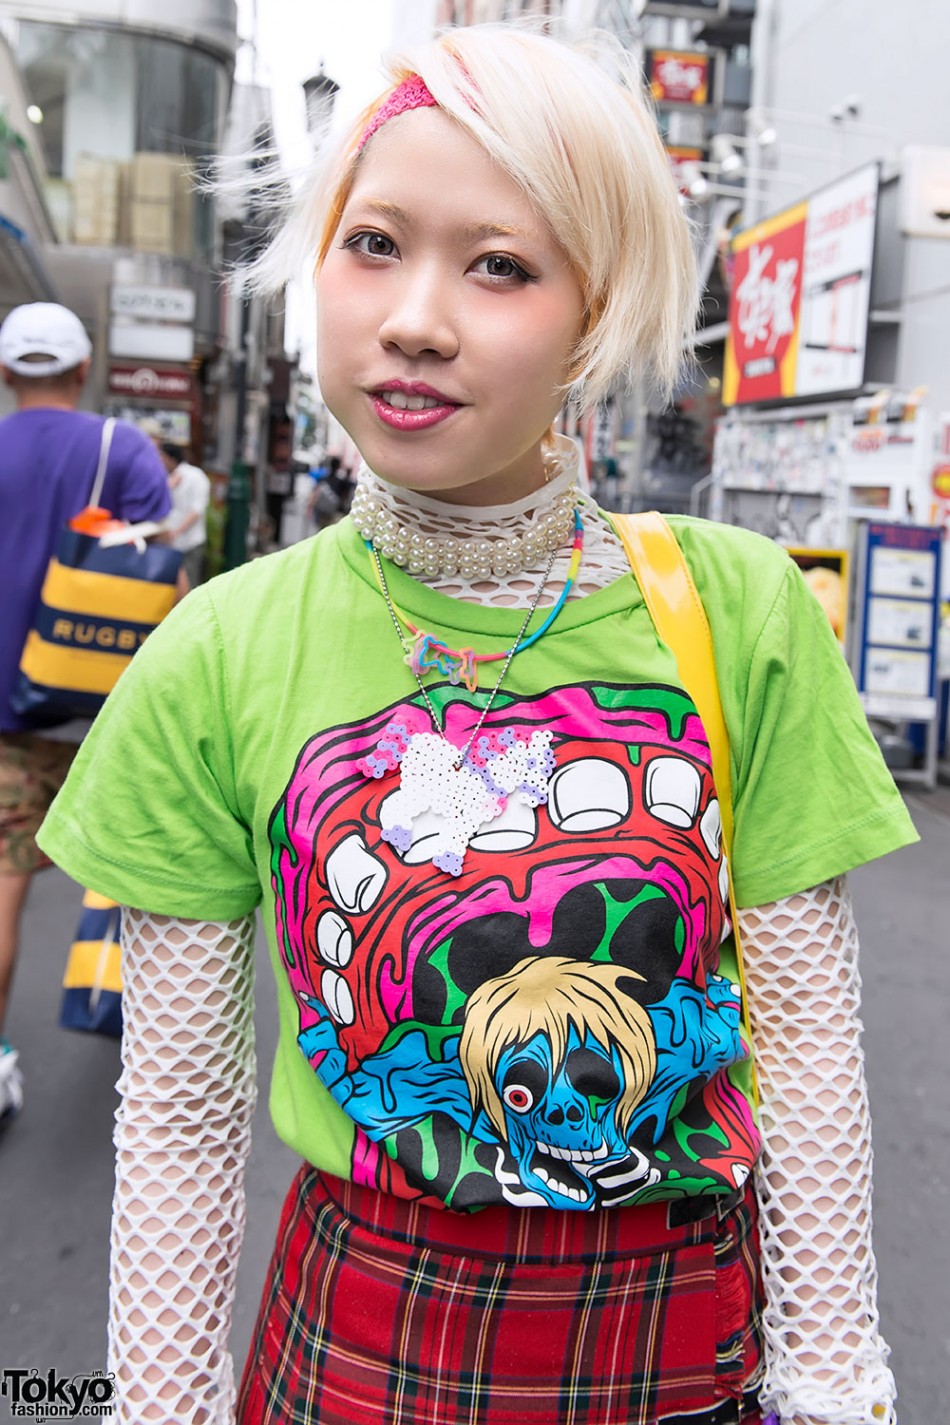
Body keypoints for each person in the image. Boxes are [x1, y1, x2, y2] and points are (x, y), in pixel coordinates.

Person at [38, 25, 916, 1425]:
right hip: (357, 1346)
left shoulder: (739, 610)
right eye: (373, 242)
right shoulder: (217, 651)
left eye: (499, 264)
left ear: (596, 309)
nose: (416, 317)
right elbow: (181, 1125)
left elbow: (806, 1050)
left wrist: (832, 1380)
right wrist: (160, 1407)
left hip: (681, 1343)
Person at [0, 300, 170, 1129]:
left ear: (5, 372)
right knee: (134, 883)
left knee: (3, 888)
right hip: (109, 712)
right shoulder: (122, 450)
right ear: (82, 368)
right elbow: (165, 568)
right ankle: (152, 1057)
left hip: (6, 712)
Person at [154, 440, 211, 588]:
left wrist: (176, 533)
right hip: (168, 543)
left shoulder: (195, 476)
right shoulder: (166, 478)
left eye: (161, 457)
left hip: (189, 542)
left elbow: (197, 510)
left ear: (170, 458)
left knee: (189, 586)